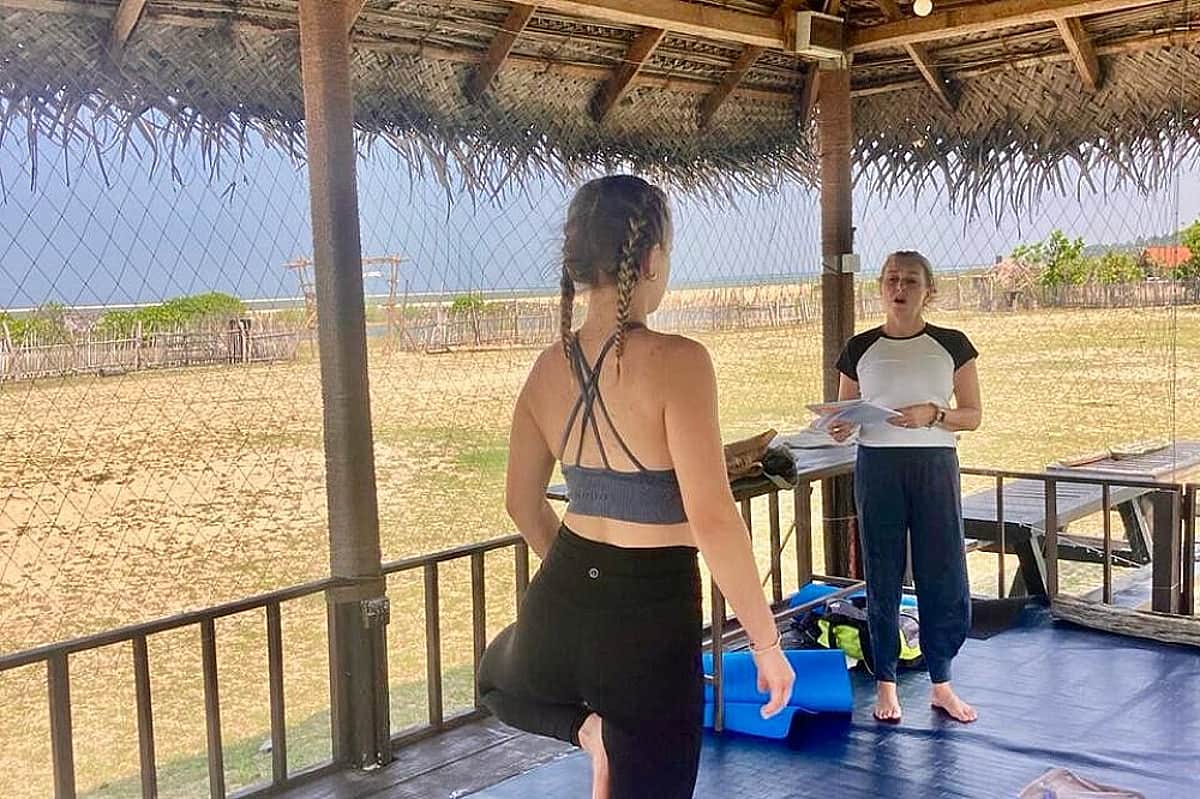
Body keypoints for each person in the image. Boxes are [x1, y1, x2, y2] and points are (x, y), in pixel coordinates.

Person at [478, 175, 794, 799]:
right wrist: (766, 642)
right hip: (649, 614)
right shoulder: (680, 361)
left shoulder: (548, 366)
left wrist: (584, 582)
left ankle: (587, 731)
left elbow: (521, 502)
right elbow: (712, 517)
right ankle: (598, 736)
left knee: (495, 681)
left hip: (561, 597)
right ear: (650, 260)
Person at [828, 250, 982, 725]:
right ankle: (886, 682)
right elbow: (844, 415)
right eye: (892, 279)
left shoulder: (953, 344)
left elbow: (973, 415)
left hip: (935, 464)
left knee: (943, 570)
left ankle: (942, 682)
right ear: (880, 287)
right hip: (878, 466)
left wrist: (933, 414)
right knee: (882, 570)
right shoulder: (859, 348)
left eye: (911, 280)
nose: (900, 288)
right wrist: (841, 427)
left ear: (927, 290)